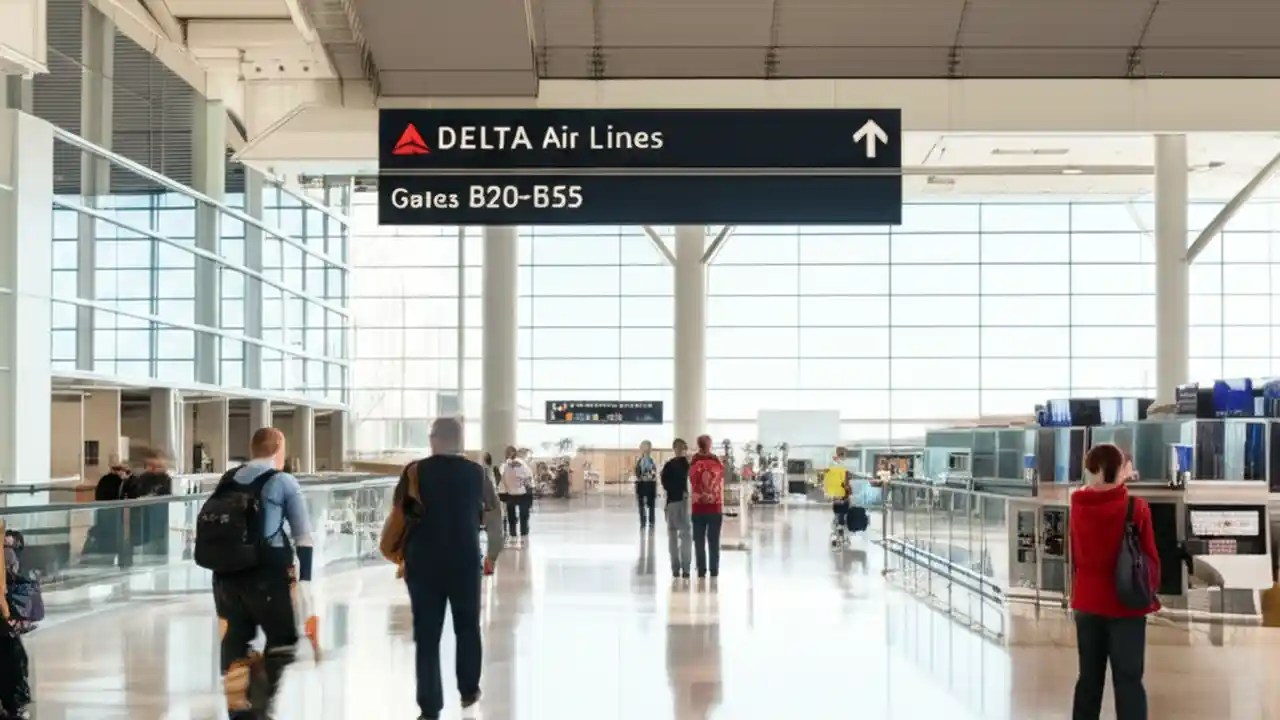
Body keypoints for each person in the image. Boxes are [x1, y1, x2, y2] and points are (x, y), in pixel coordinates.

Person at [199, 427, 316, 720]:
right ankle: (259, 697)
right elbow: (303, 535)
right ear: (279, 447)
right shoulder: (282, 481)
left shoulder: (228, 479)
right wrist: (305, 579)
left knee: (236, 639)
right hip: (268, 572)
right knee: (284, 640)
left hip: (224, 574)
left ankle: (238, 710)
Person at [1070, 443, 1160, 720]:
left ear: (1090, 470)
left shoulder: (1077, 505)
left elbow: (1075, 553)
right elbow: (1150, 558)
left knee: (1089, 679)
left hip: (1086, 602)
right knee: (1129, 680)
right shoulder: (1136, 507)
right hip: (1127, 604)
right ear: (1120, 469)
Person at [404, 417, 484, 720]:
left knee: (427, 636)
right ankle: (468, 690)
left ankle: (429, 706)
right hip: (464, 561)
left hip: (424, 563)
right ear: (460, 440)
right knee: (467, 627)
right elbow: (487, 510)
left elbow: (402, 513)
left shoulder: (415, 471)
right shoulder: (477, 473)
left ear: (435, 439)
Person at [689, 435, 725, 579]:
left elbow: (691, 480)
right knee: (714, 540)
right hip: (715, 507)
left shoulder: (694, 462)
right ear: (709, 445)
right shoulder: (716, 461)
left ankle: (701, 570)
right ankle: (714, 569)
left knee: (699, 541)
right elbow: (721, 477)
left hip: (698, 508)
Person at [661, 438, 693, 579]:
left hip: (672, 503)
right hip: (684, 502)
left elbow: (664, 483)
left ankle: (675, 568)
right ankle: (686, 568)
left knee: (672, 537)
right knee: (685, 535)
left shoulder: (668, 466)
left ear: (674, 449)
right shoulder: (689, 465)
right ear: (685, 449)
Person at [499, 446, 532, 542]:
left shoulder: (505, 466)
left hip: (511, 493)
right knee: (522, 515)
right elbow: (528, 478)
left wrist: (503, 492)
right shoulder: (522, 465)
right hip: (521, 493)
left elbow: (502, 480)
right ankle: (523, 532)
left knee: (512, 514)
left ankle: (514, 532)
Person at [480, 453, 503, 576]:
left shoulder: (488, 472)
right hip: (488, 508)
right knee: (496, 537)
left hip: (489, 508)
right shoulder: (486, 473)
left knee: (496, 538)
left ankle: (488, 562)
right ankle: (488, 562)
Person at [635, 440, 659, 529]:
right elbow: (637, 472)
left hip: (650, 485)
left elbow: (653, 472)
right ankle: (643, 521)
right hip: (642, 484)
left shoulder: (651, 461)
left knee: (651, 505)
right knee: (641, 505)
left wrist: (648, 477)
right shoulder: (640, 461)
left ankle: (651, 521)